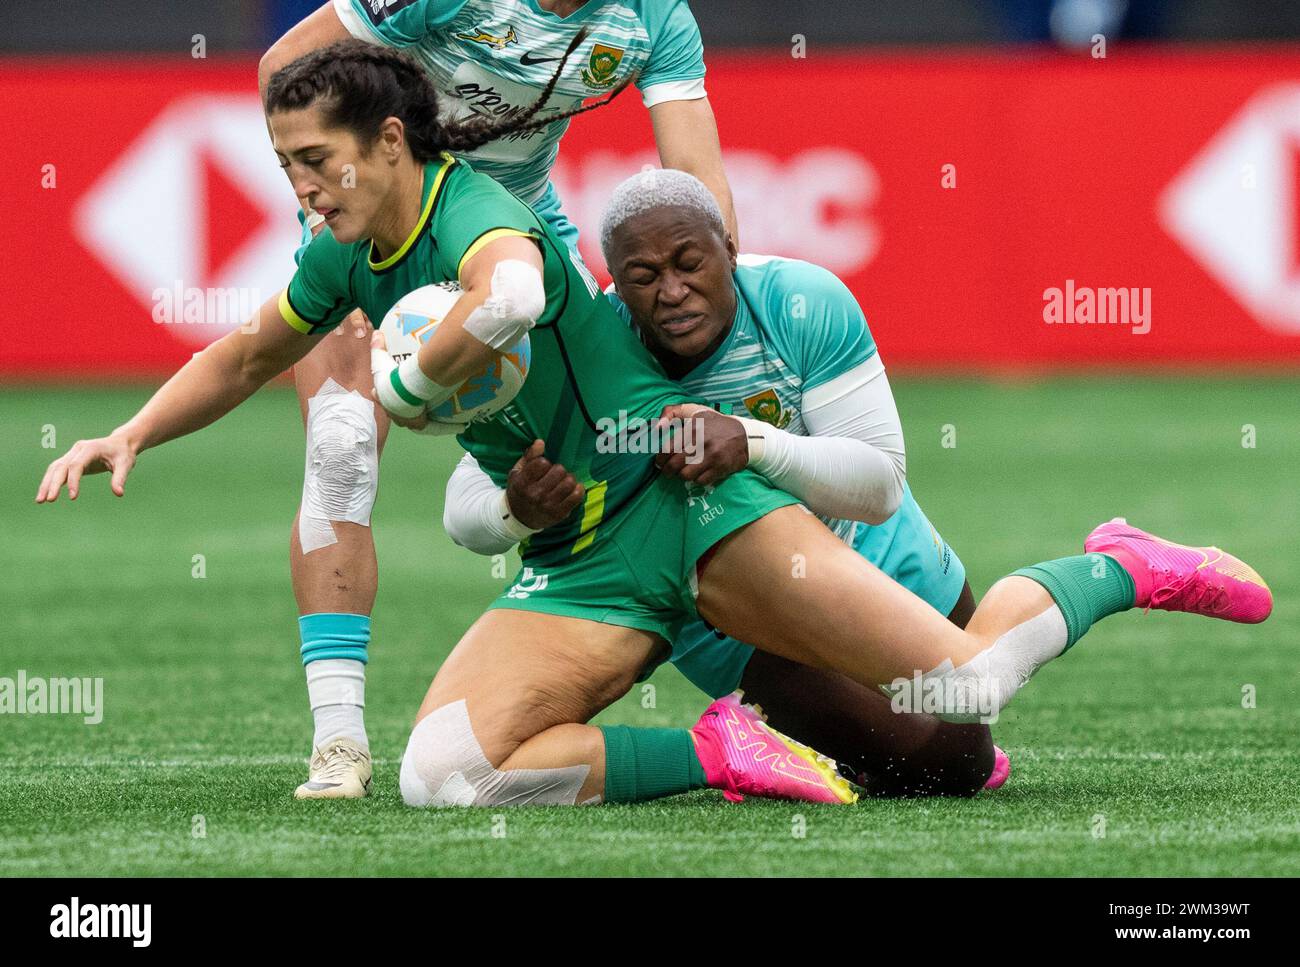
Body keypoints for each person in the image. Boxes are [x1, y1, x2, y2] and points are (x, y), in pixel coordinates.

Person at [39, 43, 1273, 812]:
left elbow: (514, 289)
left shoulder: (479, 209)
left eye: (312, 159)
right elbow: (250, 350)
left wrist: (420, 381)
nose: (298, 186)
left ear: (391, 144)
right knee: (443, 780)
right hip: (580, 556)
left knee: (954, 700)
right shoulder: (341, 254)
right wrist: (134, 432)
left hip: (699, 513)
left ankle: (1116, 565)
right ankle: (716, 752)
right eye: (284, 161)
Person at [256, 0, 739, 797]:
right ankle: (338, 743)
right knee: (340, 449)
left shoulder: (657, 17)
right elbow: (286, 69)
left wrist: (724, 292)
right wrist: (337, 197)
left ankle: (767, 688)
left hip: (510, 232)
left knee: (621, 446)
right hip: (392, 213)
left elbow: (698, 185)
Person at [443, 168, 1005, 797]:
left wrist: (749, 442)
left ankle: (1115, 567)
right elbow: (464, 500)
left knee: (981, 698)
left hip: (877, 547)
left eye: (690, 263)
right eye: (644, 277)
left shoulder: (801, 301)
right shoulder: (594, 350)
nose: (674, 292)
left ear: (729, 250)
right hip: (731, 613)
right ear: (617, 284)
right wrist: (512, 509)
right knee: (949, 771)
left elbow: (879, 487)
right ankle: (760, 740)